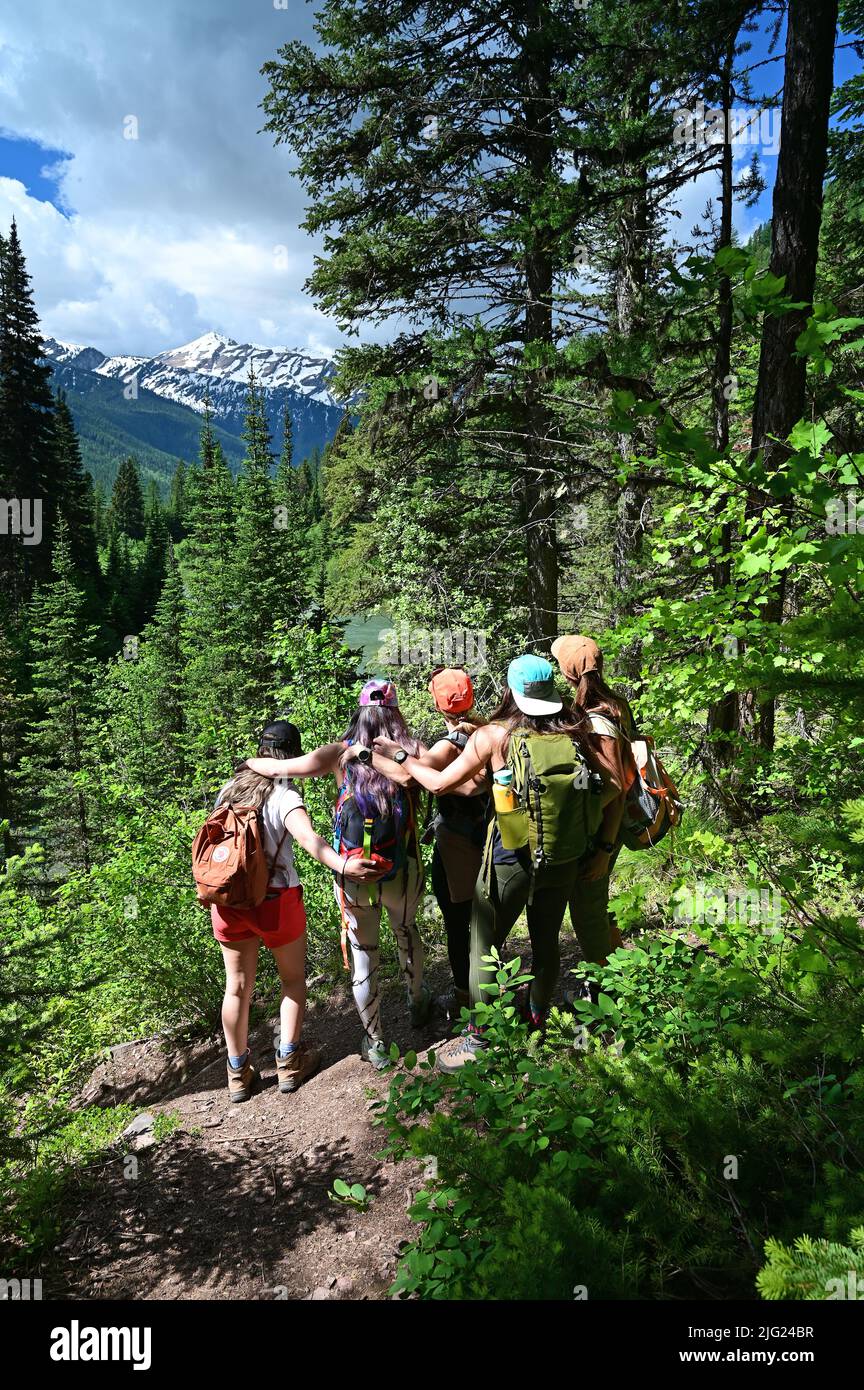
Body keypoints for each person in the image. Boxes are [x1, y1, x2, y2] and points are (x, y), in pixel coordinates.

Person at [373, 656, 622, 1072]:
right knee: (546, 942)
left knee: (482, 943)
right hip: (563, 857)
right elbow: (613, 785)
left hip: (512, 857)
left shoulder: (495, 736)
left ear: (511, 691)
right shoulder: (577, 728)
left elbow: (436, 782)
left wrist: (398, 757)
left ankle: (482, 1038)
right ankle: (539, 1016)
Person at [246, 680, 433, 1070]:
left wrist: (248, 764)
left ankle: (376, 1041)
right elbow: (442, 775)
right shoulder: (410, 751)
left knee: (364, 955)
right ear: (394, 712)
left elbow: (280, 768)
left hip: (353, 875)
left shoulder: (339, 754)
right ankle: (419, 1001)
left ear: (359, 712)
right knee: (407, 931)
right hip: (401, 870)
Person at [211, 720, 383, 1102]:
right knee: (292, 982)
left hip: (228, 901)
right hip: (277, 901)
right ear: (294, 754)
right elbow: (309, 840)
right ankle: (289, 1061)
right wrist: (344, 865)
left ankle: (237, 1072)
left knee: (236, 986)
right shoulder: (284, 795)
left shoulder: (229, 789)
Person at [551, 635, 636, 973]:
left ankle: (605, 990)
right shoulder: (615, 703)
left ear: (568, 673)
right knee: (594, 905)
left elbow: (615, 787)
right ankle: (616, 968)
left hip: (602, 832)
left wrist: (602, 847)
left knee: (586, 912)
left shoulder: (598, 719)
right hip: (602, 830)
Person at [420, 668, 490, 1021]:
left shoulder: (446, 746)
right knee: (486, 917)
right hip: (490, 842)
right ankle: (491, 983)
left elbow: (416, 778)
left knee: (457, 923)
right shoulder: (489, 731)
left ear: (437, 704)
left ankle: (466, 995)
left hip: (455, 848)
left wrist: (399, 756)